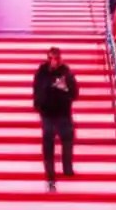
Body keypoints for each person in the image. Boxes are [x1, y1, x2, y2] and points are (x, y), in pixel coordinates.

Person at [32, 46, 78, 192]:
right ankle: (50, 176)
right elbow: (37, 91)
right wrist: (41, 105)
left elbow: (75, 92)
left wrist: (65, 87)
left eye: (56, 58)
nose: (54, 61)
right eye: (51, 58)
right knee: (48, 145)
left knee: (68, 140)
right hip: (48, 114)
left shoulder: (66, 72)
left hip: (63, 113)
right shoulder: (42, 73)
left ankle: (67, 168)